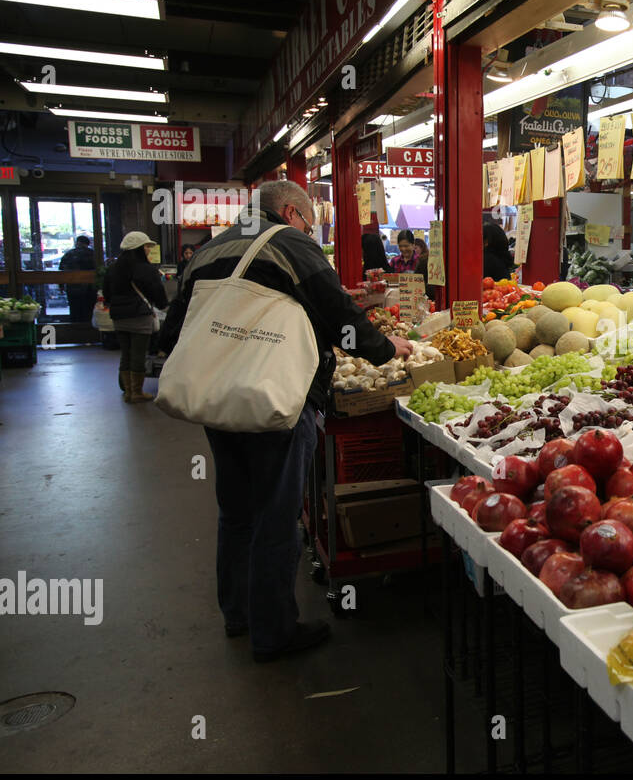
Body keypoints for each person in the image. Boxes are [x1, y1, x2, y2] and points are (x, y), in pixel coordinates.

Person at [159, 181, 414, 663]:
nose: (310, 231)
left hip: (219, 400)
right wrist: (385, 348)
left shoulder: (207, 253)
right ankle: (273, 631)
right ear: (292, 212)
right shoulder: (289, 243)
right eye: (311, 223)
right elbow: (340, 314)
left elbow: (173, 332)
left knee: (236, 510)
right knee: (277, 512)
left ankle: (237, 614)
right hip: (276, 398)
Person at [102, 232, 168, 402]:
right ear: (138, 249)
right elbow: (157, 293)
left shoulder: (113, 269)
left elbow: (107, 295)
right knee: (139, 354)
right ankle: (136, 392)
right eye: (146, 246)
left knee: (126, 353)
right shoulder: (145, 269)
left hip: (119, 317)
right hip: (139, 316)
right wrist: (162, 305)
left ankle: (128, 391)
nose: (148, 250)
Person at [59, 235, 96, 323]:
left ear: (77, 242)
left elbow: (61, 271)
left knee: (74, 309)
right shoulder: (93, 254)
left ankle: (74, 329)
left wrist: (61, 286)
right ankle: (88, 330)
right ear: (88, 244)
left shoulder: (69, 254)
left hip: (72, 287)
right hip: (89, 288)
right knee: (88, 310)